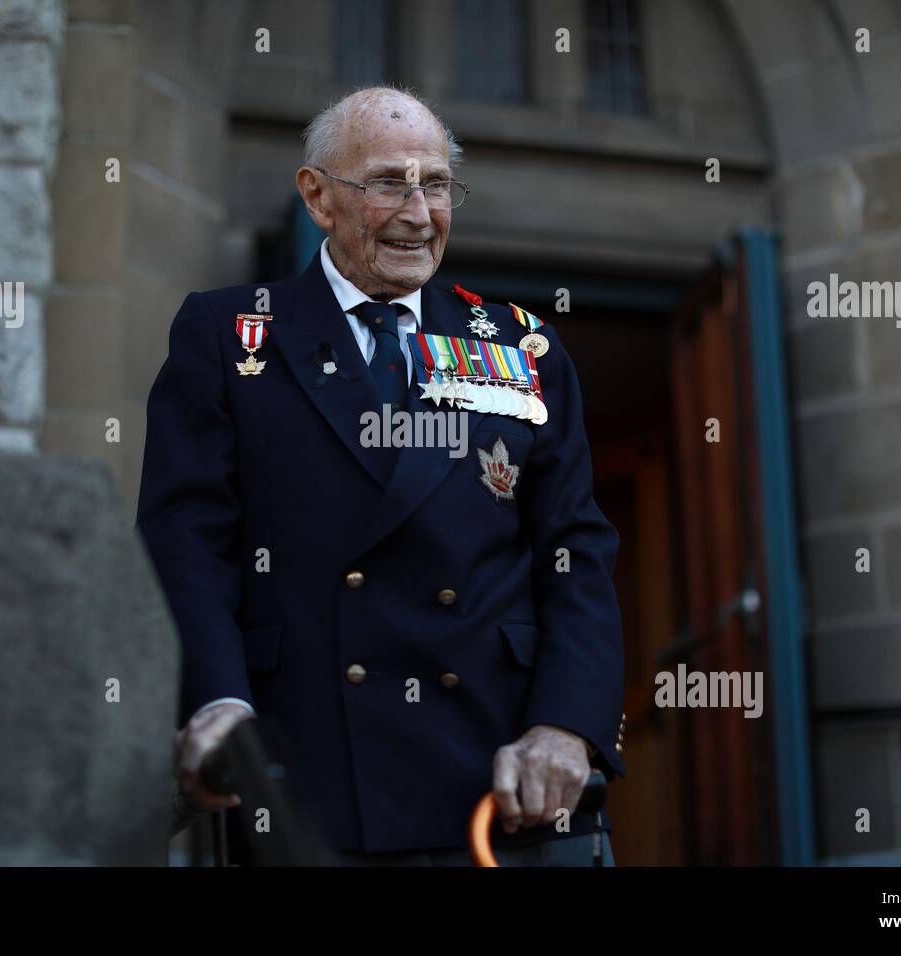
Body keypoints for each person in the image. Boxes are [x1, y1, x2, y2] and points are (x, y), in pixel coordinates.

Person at [138, 85, 626, 866]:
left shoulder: (519, 346)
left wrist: (567, 725)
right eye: (389, 183)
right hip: (309, 772)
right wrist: (218, 706)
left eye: (436, 184)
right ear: (318, 197)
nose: (418, 212)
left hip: (497, 779)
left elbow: (576, 553)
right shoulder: (228, 334)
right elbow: (187, 543)